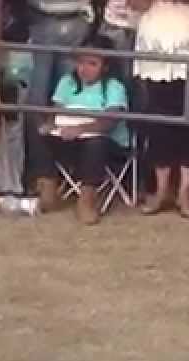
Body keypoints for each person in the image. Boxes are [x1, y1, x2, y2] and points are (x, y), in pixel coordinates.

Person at [131, 0, 189, 218]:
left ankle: (185, 192)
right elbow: (136, 4)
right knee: (160, 121)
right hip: (157, 47)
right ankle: (161, 190)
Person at [30, 36, 130, 224]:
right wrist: (51, 125)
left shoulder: (114, 87)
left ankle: (87, 200)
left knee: (95, 144)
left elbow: (109, 123)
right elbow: (56, 112)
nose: (84, 68)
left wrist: (80, 129)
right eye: (81, 62)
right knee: (40, 135)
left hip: (106, 144)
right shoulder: (67, 82)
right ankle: (48, 189)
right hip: (70, 138)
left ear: (106, 66)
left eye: (92, 63)